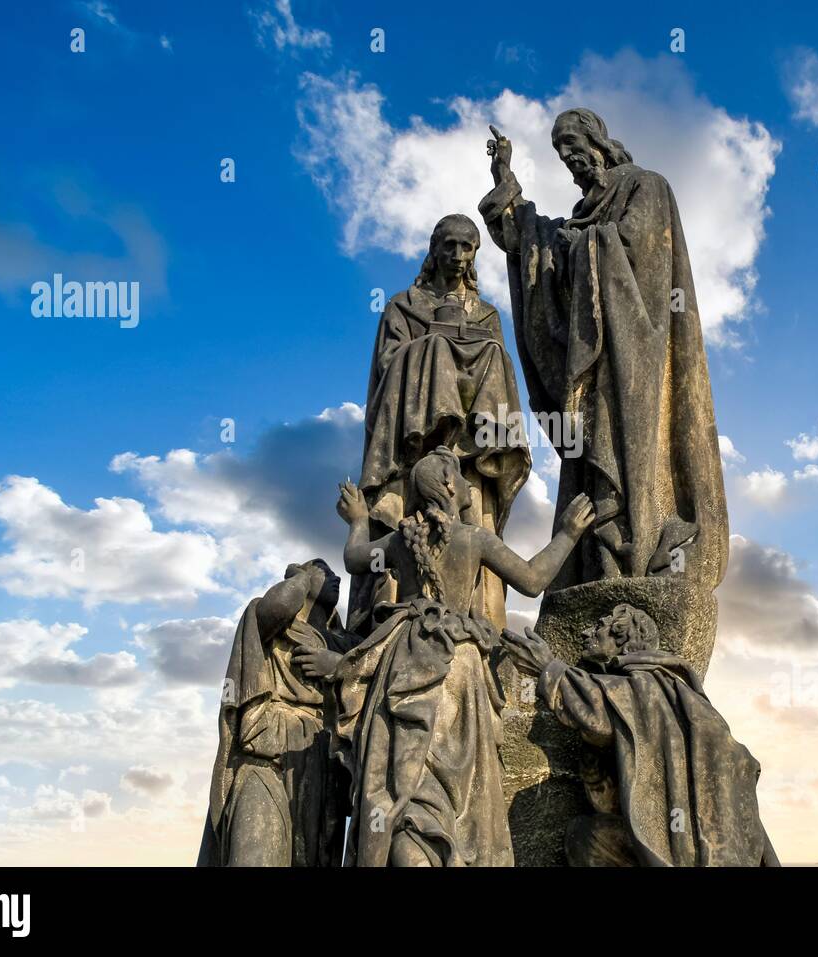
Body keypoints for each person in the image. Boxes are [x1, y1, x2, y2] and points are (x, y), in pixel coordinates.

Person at [480, 110, 727, 589]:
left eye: (572, 143)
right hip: (590, 357)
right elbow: (530, 241)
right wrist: (505, 177)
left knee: (625, 449)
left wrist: (584, 245)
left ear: (598, 139)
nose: (568, 157)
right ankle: (597, 562)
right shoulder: (581, 214)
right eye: (559, 151)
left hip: (634, 352)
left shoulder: (645, 185)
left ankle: (633, 552)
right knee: (590, 457)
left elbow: (641, 255)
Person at [329, 446, 594, 866]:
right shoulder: (474, 539)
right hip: (457, 660)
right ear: (451, 486)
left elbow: (353, 559)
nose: (472, 484)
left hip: (404, 653)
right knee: (457, 783)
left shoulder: (401, 540)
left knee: (404, 775)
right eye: (465, 477)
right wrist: (567, 534)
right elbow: (532, 579)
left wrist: (358, 520)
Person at [351, 213, 531, 634]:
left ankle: (477, 447)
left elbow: (502, 372)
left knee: (493, 355)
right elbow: (387, 367)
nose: (456, 255)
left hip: (469, 465)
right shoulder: (402, 305)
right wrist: (436, 350)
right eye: (448, 245)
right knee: (432, 347)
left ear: (474, 255)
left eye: (466, 247)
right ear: (433, 250)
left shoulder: (486, 315)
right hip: (410, 447)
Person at [502, 604, 779, 866]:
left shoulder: (644, 686)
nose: (587, 633)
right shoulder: (684, 695)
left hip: (674, 845)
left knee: (587, 836)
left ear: (624, 639)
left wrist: (548, 668)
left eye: (600, 626)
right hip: (714, 846)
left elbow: (600, 710)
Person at [198, 560, 355, 866]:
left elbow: (376, 674)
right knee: (254, 850)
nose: (335, 576)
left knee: (308, 857)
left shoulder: (346, 644)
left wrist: (338, 665)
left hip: (318, 756)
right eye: (324, 568)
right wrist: (301, 578)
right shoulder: (268, 619)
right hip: (263, 750)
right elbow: (279, 605)